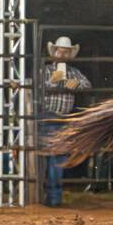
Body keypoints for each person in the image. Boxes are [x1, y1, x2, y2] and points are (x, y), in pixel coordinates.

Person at [37, 36, 91, 208]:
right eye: (60, 50)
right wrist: (54, 81)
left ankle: (53, 196)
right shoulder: (45, 70)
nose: (63, 54)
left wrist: (69, 83)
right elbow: (40, 86)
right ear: (55, 52)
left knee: (57, 157)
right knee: (52, 157)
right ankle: (50, 195)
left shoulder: (73, 72)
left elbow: (86, 85)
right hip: (48, 116)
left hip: (62, 118)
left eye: (66, 51)